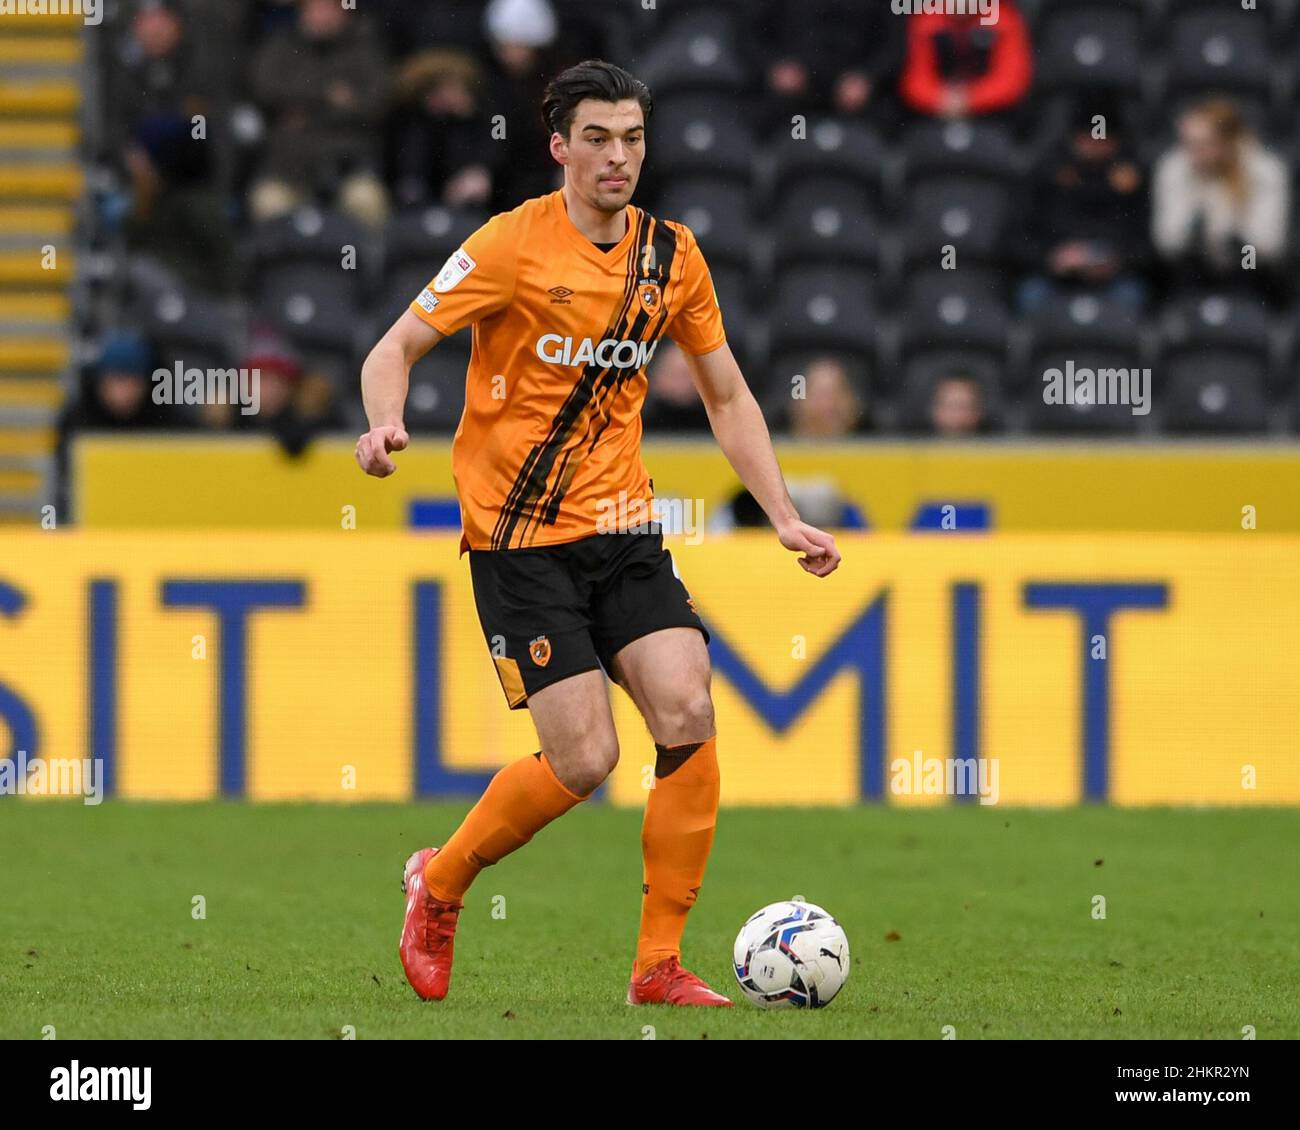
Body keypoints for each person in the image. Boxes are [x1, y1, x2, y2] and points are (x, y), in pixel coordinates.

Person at [355, 60, 841, 1007]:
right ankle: (440, 883)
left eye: (633, 139)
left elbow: (727, 392)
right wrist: (381, 424)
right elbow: (395, 347)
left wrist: (782, 514)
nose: (618, 158)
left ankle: (656, 967)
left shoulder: (673, 256)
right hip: (517, 539)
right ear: (559, 148)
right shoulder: (507, 245)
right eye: (598, 140)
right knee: (584, 760)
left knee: (689, 711)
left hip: (622, 528)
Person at [1015, 97, 1150, 315]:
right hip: (1054, 278)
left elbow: (1148, 244)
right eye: (1088, 137)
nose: (1094, 144)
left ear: (1116, 139)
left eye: (1102, 137)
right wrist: (1053, 258)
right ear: (1074, 137)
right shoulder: (1047, 171)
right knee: (1032, 295)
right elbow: (1016, 237)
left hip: (1116, 279)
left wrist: (1118, 261)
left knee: (1132, 296)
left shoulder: (1134, 176)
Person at [1152, 99, 1290, 303]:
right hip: (1193, 270)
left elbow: (1268, 245)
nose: (1193, 154)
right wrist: (1196, 226)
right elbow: (1167, 241)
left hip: (1249, 271)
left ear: (1228, 143)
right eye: (1187, 144)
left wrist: (1229, 237)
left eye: (1203, 145)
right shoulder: (1175, 167)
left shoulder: (1265, 170)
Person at [898, 0, 1033, 121]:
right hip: (934, 114)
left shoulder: (1002, 18)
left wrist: (970, 100)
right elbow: (915, 78)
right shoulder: (927, 20)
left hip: (992, 117)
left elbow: (1012, 79)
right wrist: (941, 99)